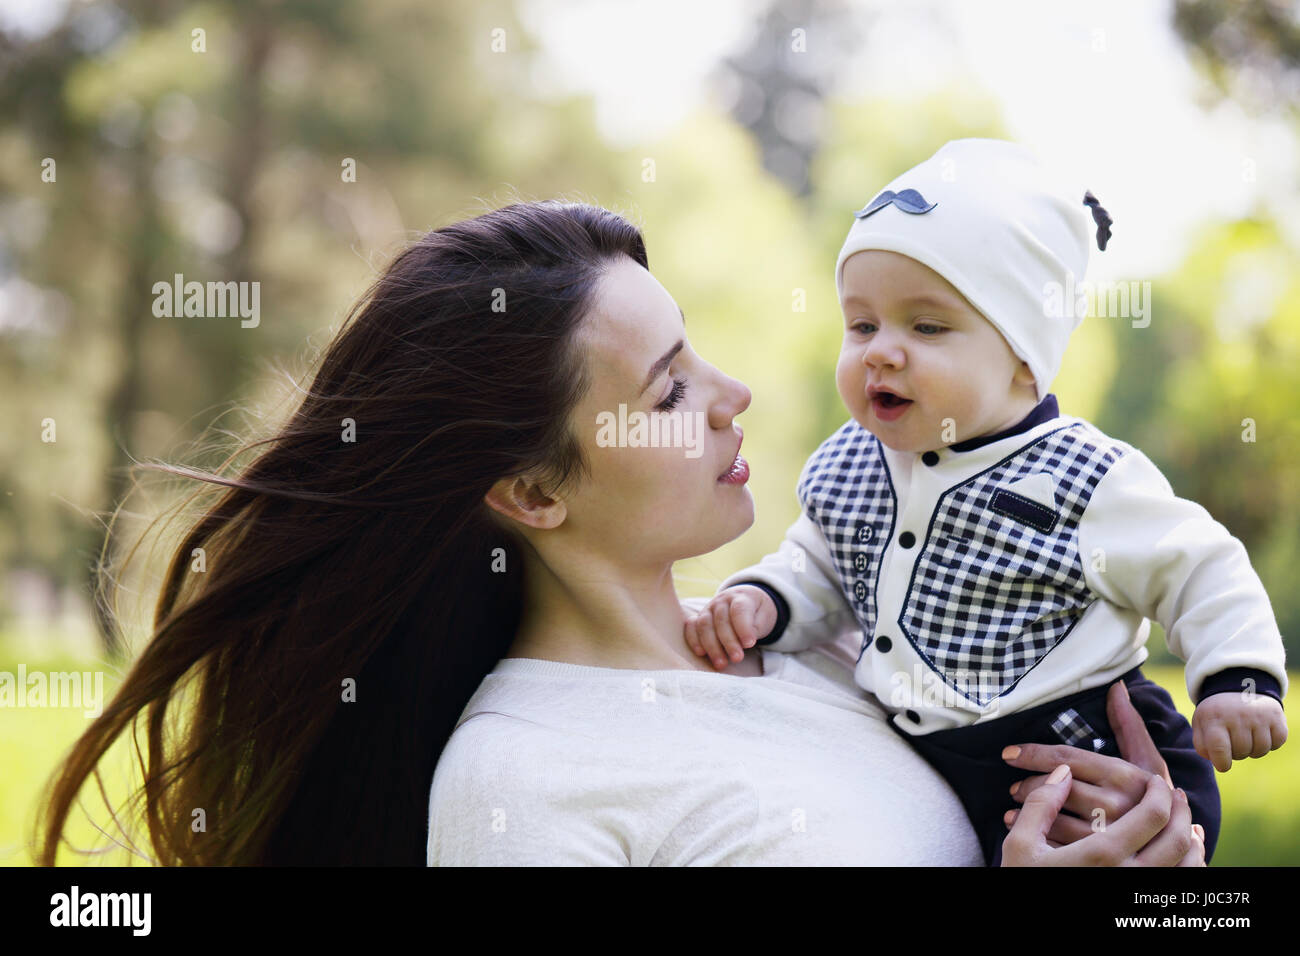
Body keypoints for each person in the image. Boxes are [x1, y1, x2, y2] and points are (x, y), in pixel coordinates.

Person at [37, 200, 1201, 866]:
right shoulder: (522, 784)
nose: (734, 391)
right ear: (533, 494)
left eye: (697, 350)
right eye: (668, 391)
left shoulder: (833, 648)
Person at [684, 139, 1287, 866]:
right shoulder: (852, 459)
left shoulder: (1085, 475)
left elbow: (1199, 567)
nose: (880, 351)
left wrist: (1236, 678)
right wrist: (767, 599)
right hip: (952, 764)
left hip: (1088, 746)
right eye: (862, 324)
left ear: (1026, 359)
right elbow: (821, 560)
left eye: (927, 326)